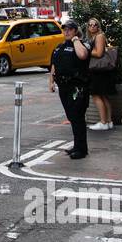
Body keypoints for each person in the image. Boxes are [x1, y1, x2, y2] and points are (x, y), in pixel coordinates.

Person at [49, 20, 92, 160]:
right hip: (64, 87)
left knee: (77, 116)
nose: (66, 32)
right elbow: (54, 65)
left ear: (75, 30)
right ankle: (77, 145)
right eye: (65, 29)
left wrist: (75, 40)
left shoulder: (81, 44)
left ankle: (81, 149)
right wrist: (51, 82)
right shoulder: (59, 47)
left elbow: (82, 55)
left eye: (70, 29)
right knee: (72, 117)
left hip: (77, 87)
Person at [85, 18, 115, 131]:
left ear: (99, 26)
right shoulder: (94, 36)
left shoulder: (99, 36)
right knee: (103, 96)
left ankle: (103, 122)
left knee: (97, 95)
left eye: (95, 25)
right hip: (100, 71)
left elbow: (99, 53)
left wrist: (86, 50)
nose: (92, 27)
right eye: (90, 25)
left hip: (98, 70)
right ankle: (108, 121)